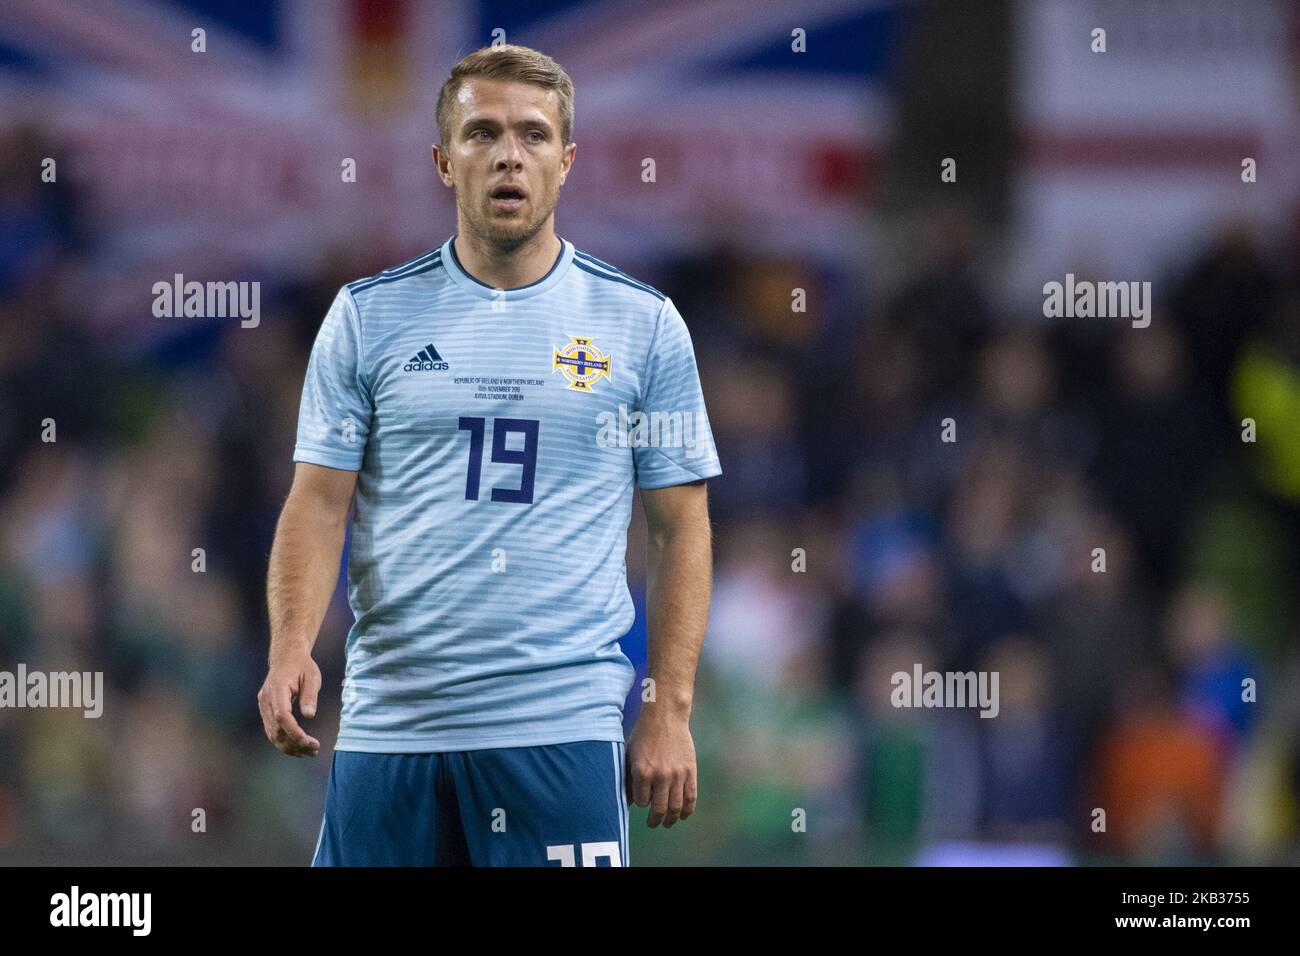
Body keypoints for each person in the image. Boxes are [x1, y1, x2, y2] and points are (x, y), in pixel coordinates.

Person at [257, 43, 721, 866]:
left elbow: (681, 527)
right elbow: (318, 502)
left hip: (559, 731)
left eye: (534, 135)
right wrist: (291, 640)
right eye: (482, 133)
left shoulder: (643, 326)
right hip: (390, 727)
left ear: (568, 161)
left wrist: (670, 707)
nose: (509, 153)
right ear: (443, 160)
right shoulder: (366, 318)